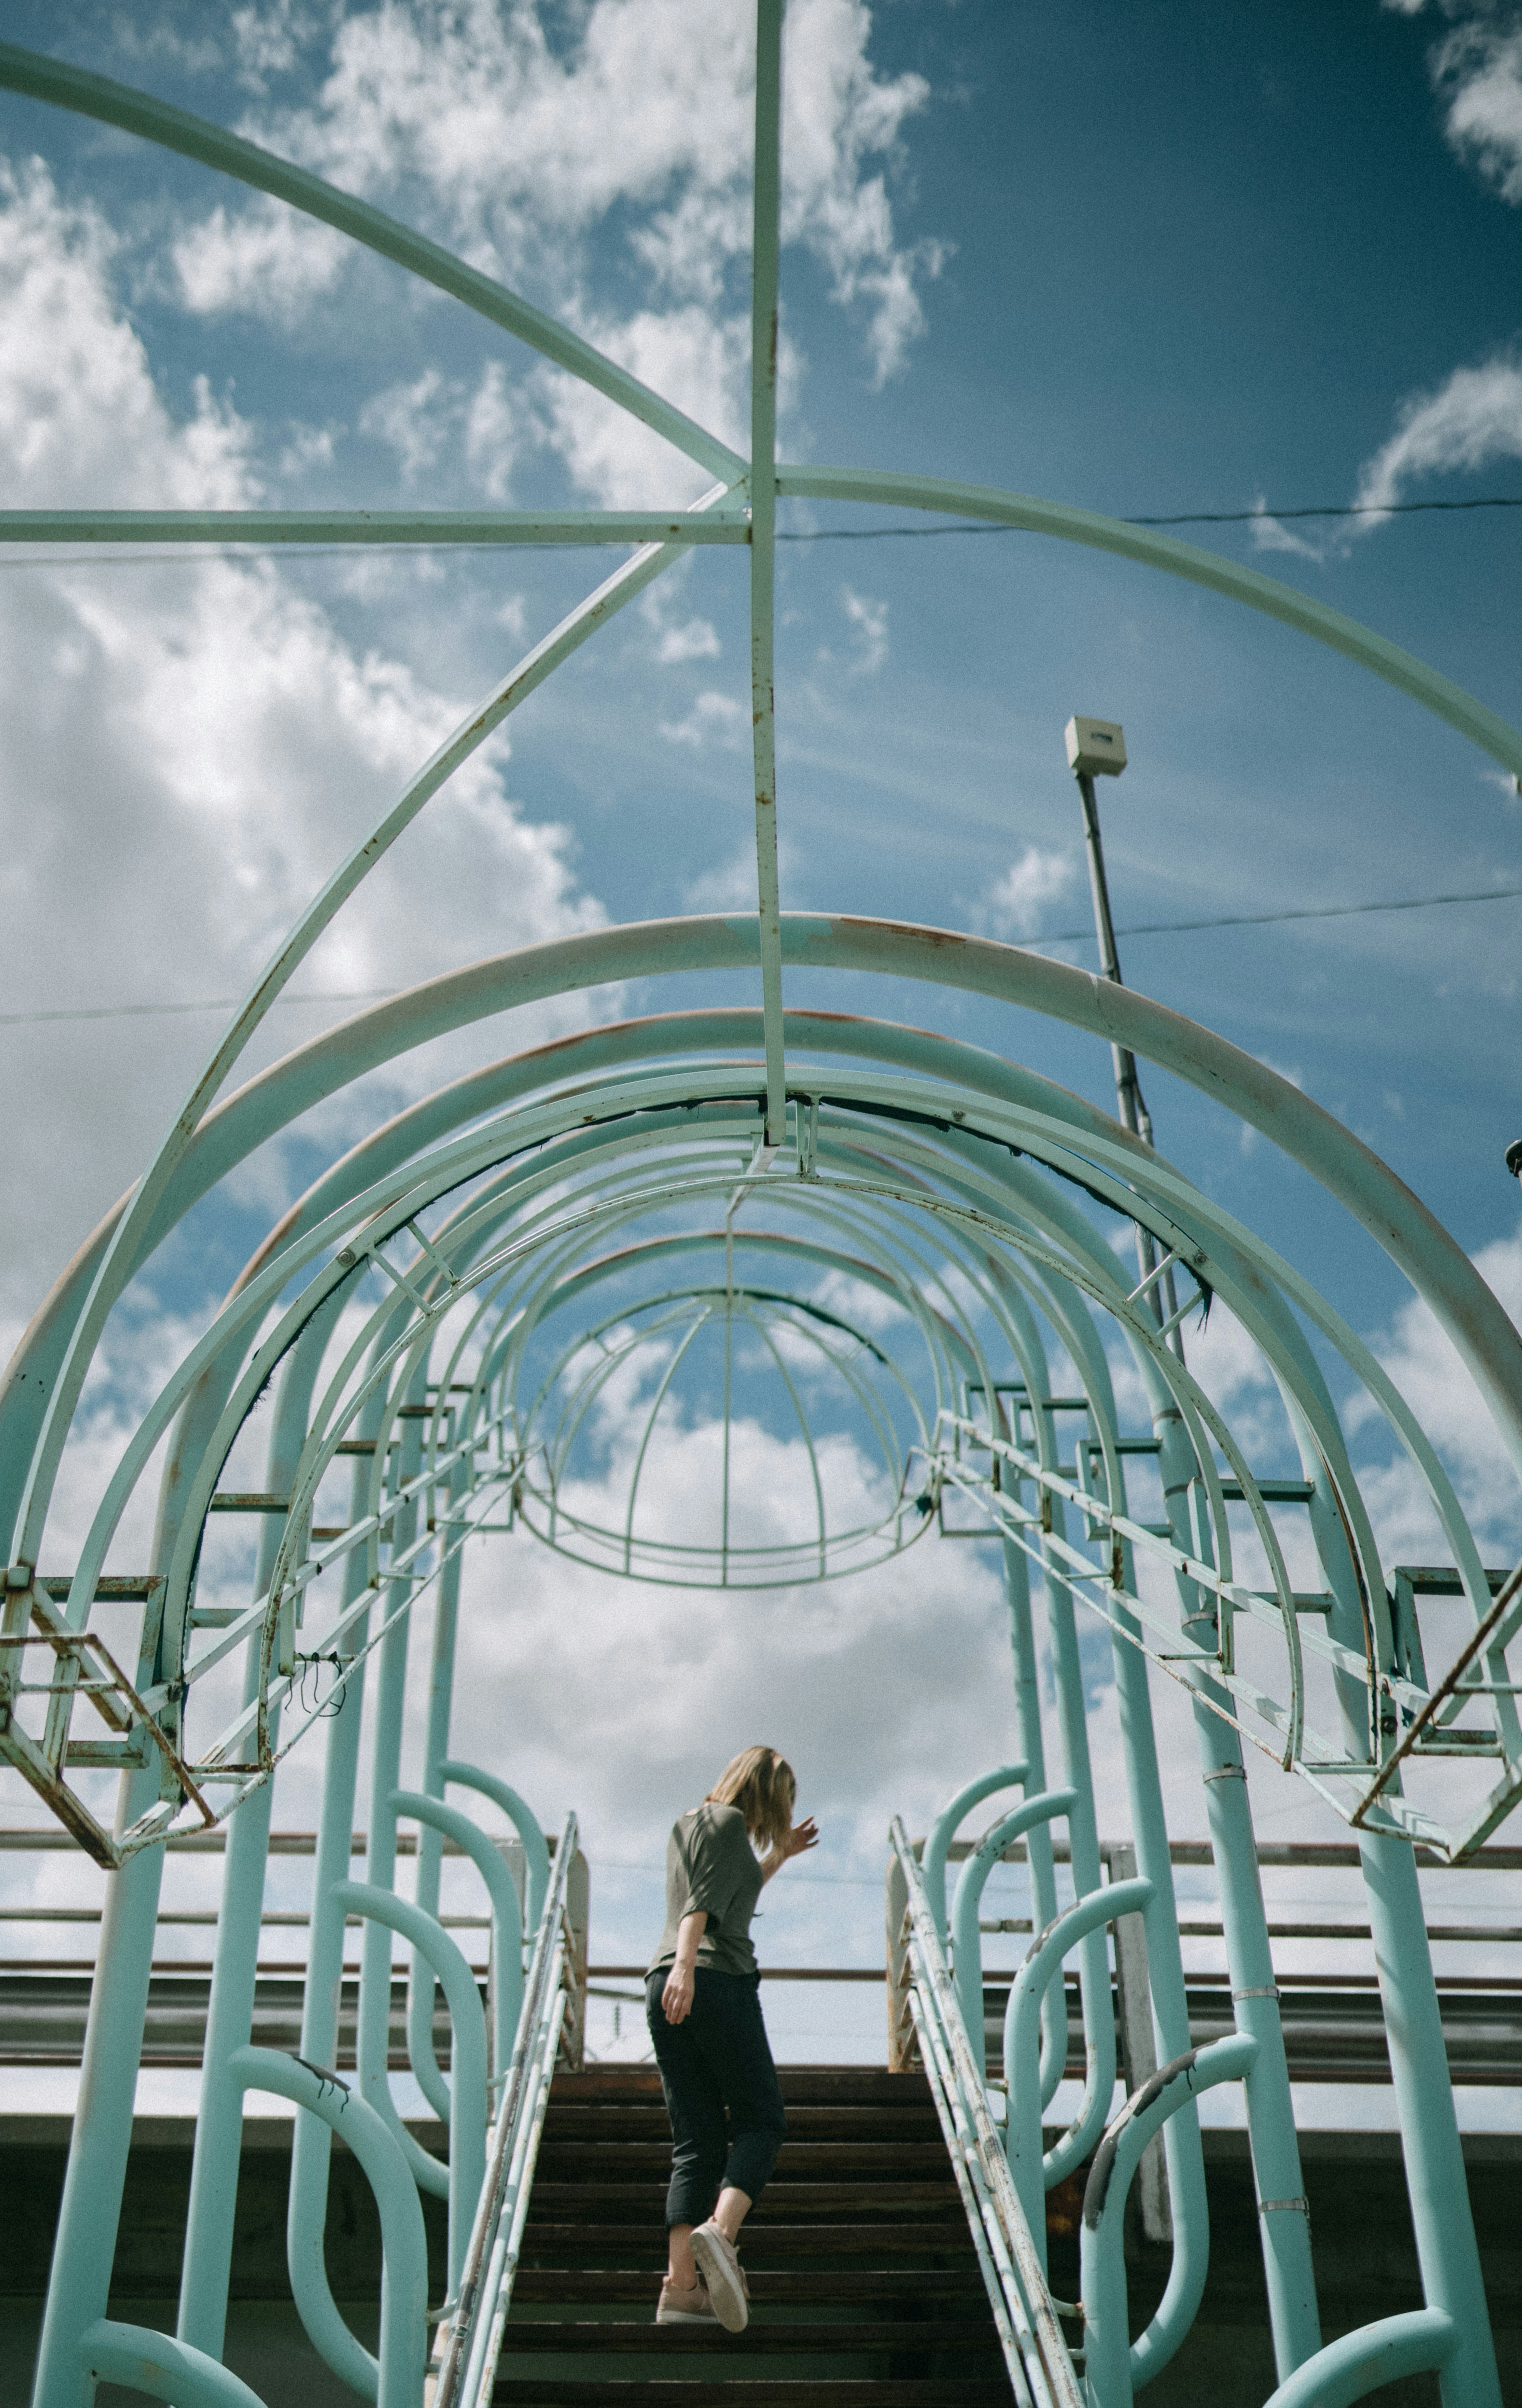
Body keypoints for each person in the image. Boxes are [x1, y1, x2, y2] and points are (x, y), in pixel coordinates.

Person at [645, 1745, 818, 2331]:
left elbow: (725, 1894)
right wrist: (688, 1967)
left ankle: (681, 2287)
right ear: (765, 1790)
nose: (783, 1810)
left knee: (696, 2137)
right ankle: (719, 2234)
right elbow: (702, 1909)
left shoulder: (695, 1823)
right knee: (762, 2119)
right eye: (783, 1798)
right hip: (713, 1978)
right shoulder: (725, 1824)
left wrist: (779, 1856)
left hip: (668, 1979)